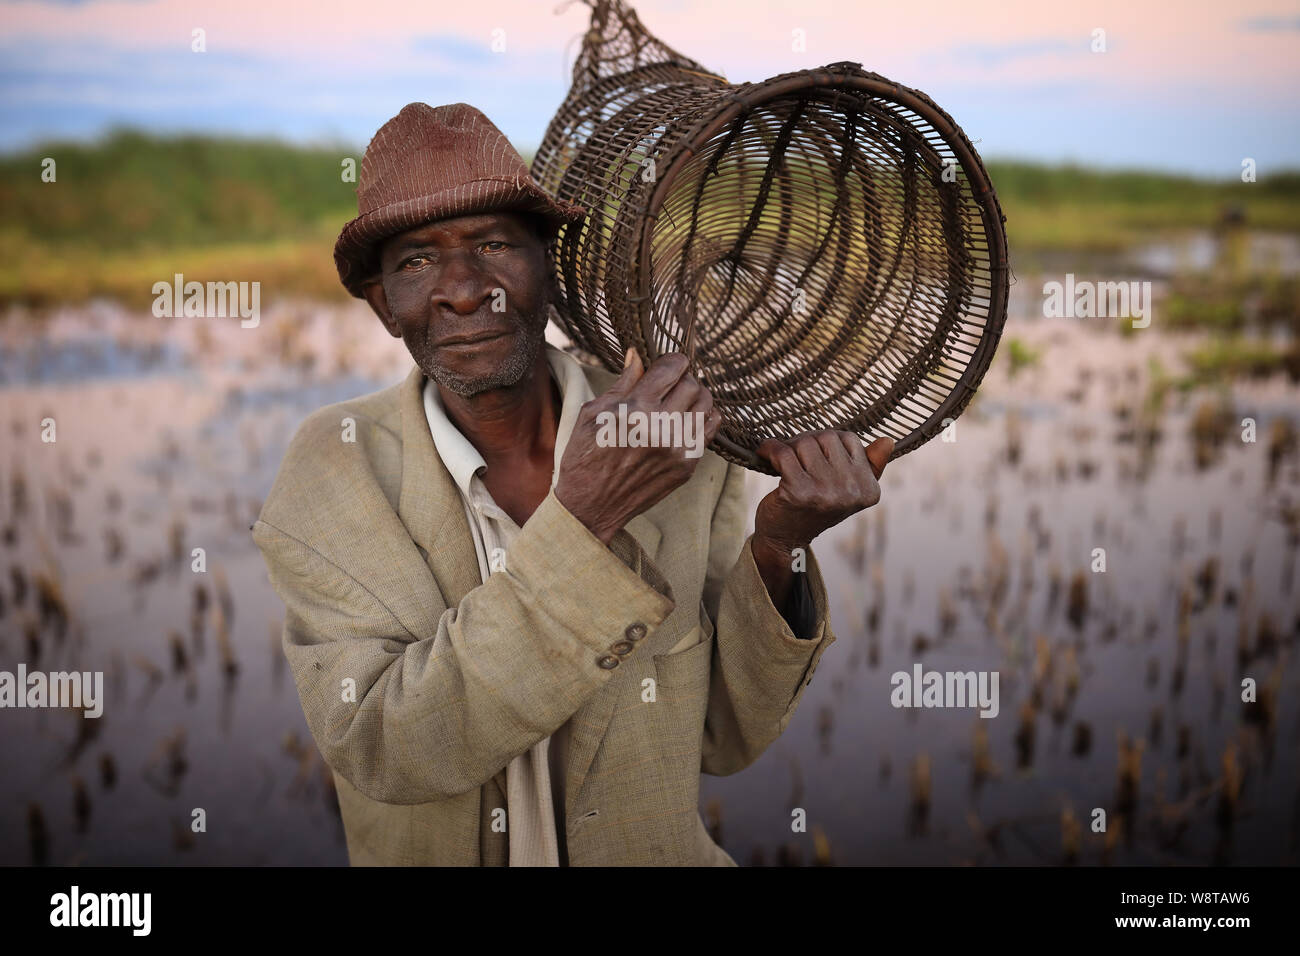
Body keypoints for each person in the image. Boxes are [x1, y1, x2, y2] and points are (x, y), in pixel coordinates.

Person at [252, 101, 894, 866]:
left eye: (494, 244)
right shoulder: (335, 463)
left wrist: (780, 543)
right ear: (383, 305)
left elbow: (723, 735)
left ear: (550, 266)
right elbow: (388, 748)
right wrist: (583, 515)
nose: (464, 289)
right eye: (417, 262)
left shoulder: (683, 443)